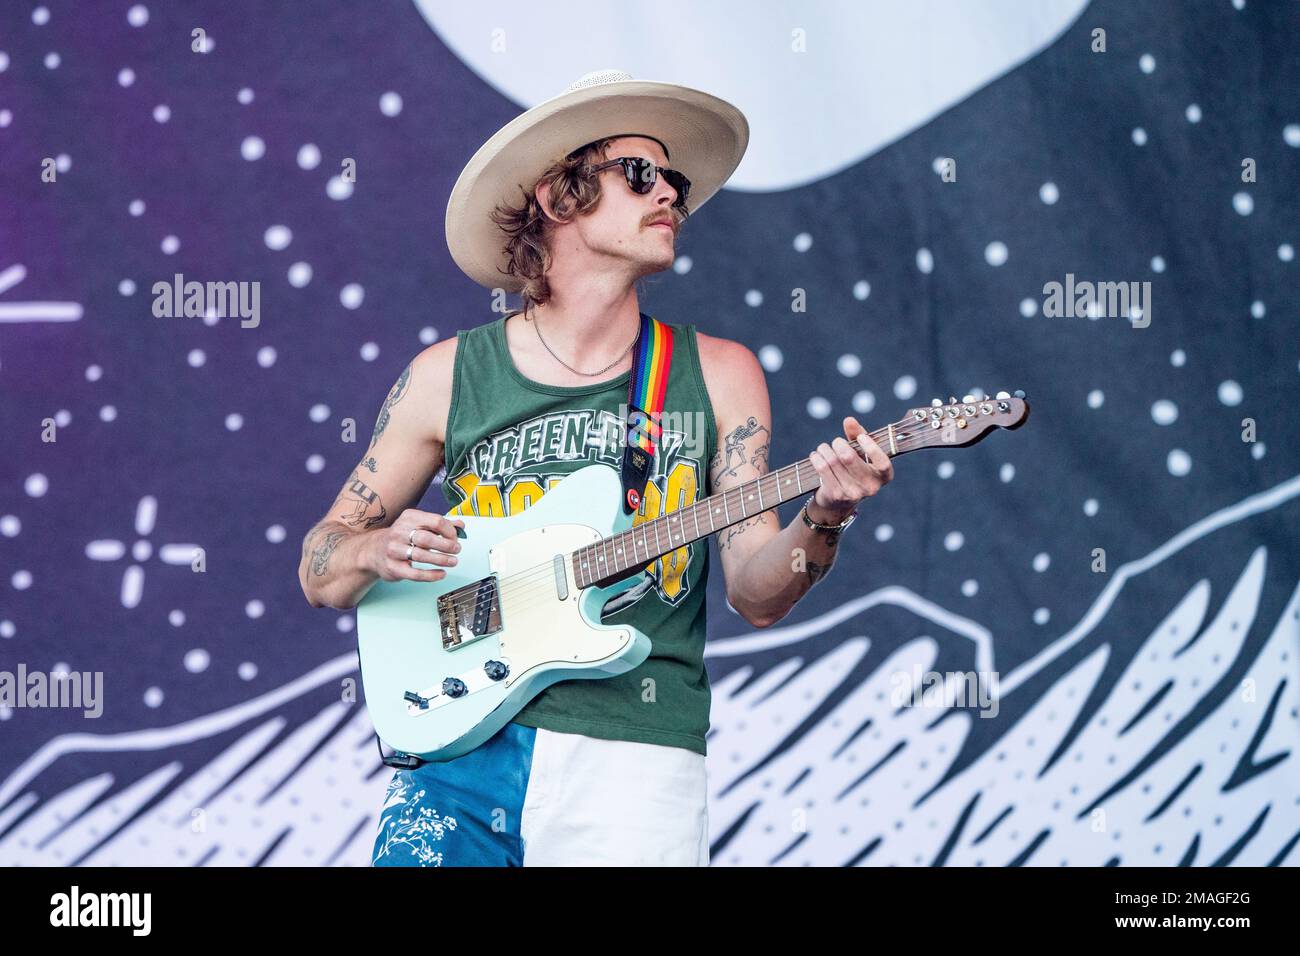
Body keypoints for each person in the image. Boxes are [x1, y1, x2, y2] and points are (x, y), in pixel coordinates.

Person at [298, 70, 894, 866]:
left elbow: (756, 591)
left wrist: (825, 515)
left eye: (676, 182)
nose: (671, 197)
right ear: (556, 196)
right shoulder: (447, 374)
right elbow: (321, 566)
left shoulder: (719, 373)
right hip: (456, 755)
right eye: (642, 174)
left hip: (635, 763)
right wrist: (373, 550)